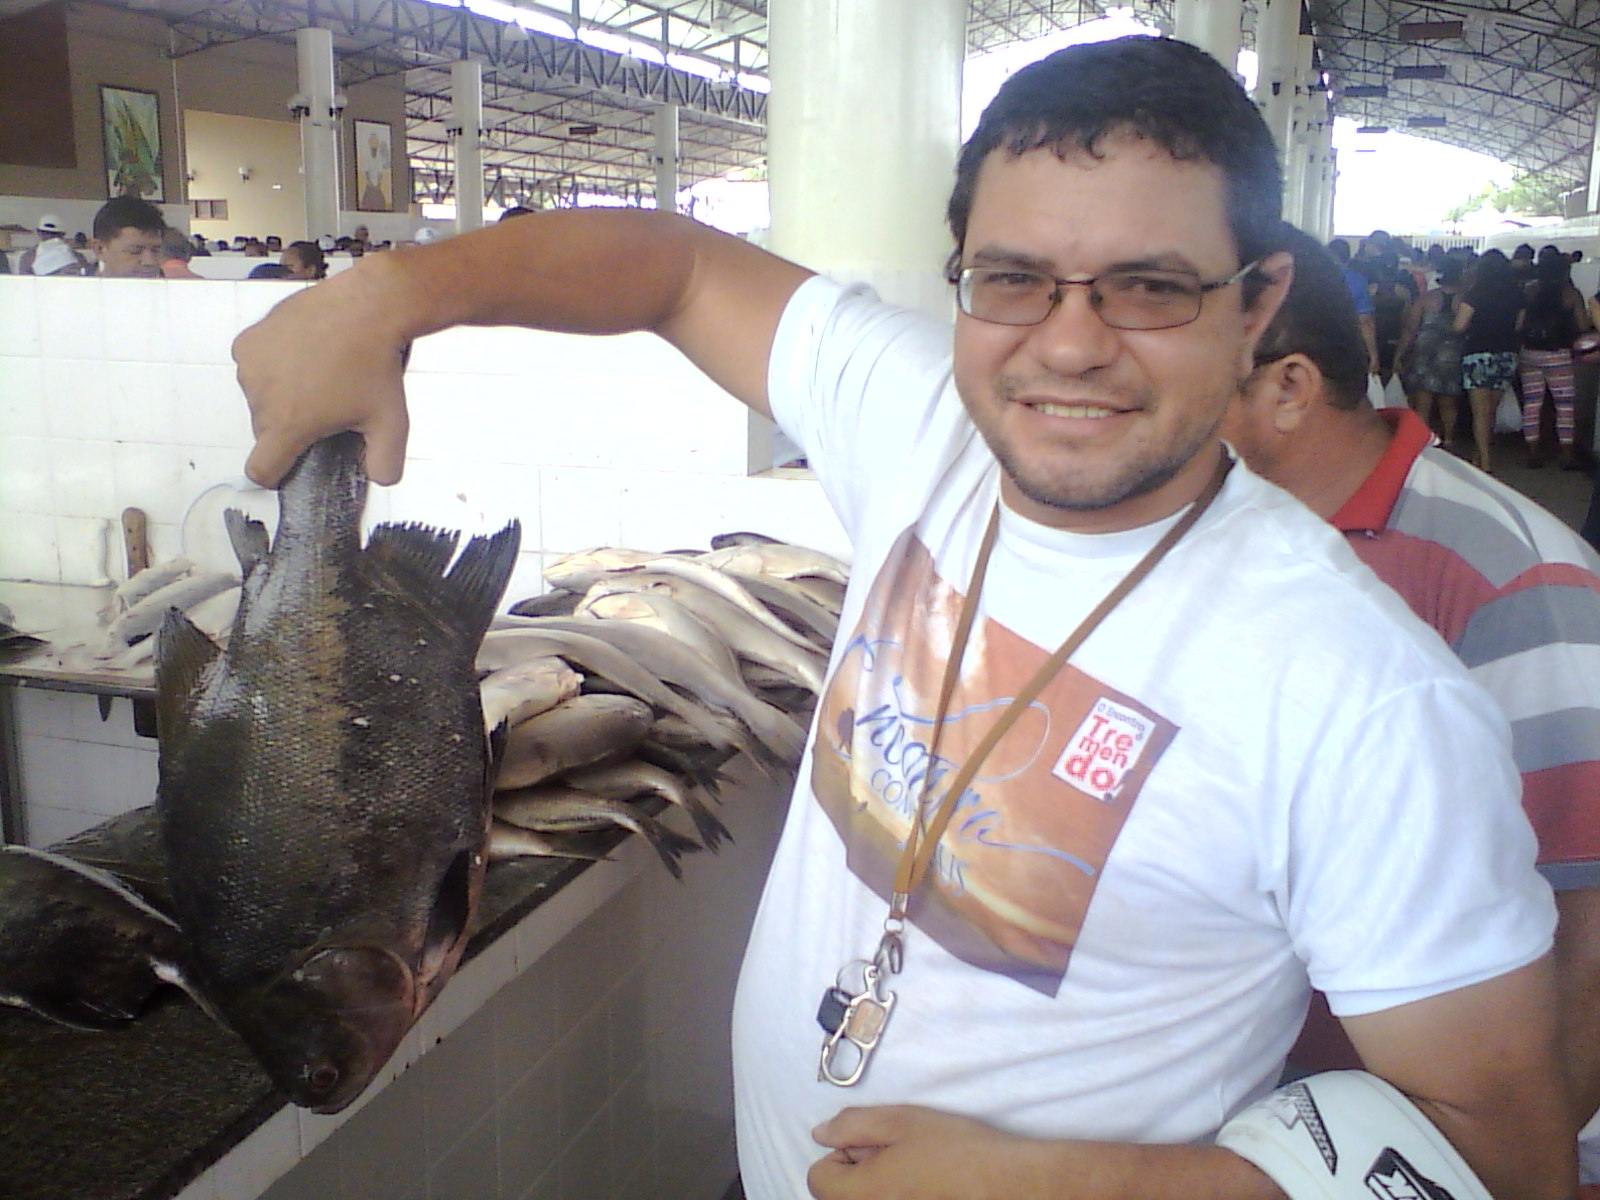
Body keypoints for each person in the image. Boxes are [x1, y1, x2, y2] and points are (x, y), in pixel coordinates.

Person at [232, 37, 1568, 1200]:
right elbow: (677, 269)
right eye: (1014, 279)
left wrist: (1062, 1188)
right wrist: (385, 295)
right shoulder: (925, 416)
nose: (1069, 343)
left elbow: (1500, 1157)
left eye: (1149, 287)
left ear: (1257, 303)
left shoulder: (1365, 695)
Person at [1225, 223, 1600, 1185]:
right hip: (1256, 1093)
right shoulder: (1225, 542)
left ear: (1287, 386)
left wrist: (1507, 1169)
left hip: (1389, 1126)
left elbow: (1588, 932)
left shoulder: (1513, 581)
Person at [1518, 244, 1593, 469]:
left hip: (1529, 353)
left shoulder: (1530, 290)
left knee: (1532, 403)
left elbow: (1519, 323)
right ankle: (1567, 456)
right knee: (1564, 405)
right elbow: (1581, 324)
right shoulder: (1571, 294)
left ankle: (1533, 453)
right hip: (1558, 355)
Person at [1454, 247, 1523, 472]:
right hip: (1507, 356)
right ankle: (1479, 455)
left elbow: (1459, 326)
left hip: (1478, 355)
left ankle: (1485, 463)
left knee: (1480, 413)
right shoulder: (1517, 294)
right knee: (1491, 411)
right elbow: (1518, 327)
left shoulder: (1475, 293)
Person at [1396, 256, 1465, 437]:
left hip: (1424, 353)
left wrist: (1400, 353)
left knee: (1423, 401)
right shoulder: (1465, 300)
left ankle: (1422, 440)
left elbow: (1411, 328)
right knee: (1448, 401)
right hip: (1452, 355)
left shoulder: (1426, 299)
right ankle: (1449, 438)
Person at [1326, 236, 1379, 373]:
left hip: (1309, 344)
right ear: (1348, 257)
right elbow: (1365, 321)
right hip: (1345, 346)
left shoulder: (1308, 277)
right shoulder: (1356, 280)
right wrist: (1373, 355)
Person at [90, 196, 165, 278]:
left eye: (156, 251)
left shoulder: (173, 289)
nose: (150, 262)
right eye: (135, 251)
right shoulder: (78, 290)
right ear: (99, 249)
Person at [18, 213, 89, 276]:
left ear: (62, 235)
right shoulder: (27, 258)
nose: (49, 237)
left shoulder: (77, 257)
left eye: (54, 234)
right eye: (45, 233)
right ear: (39, 233)